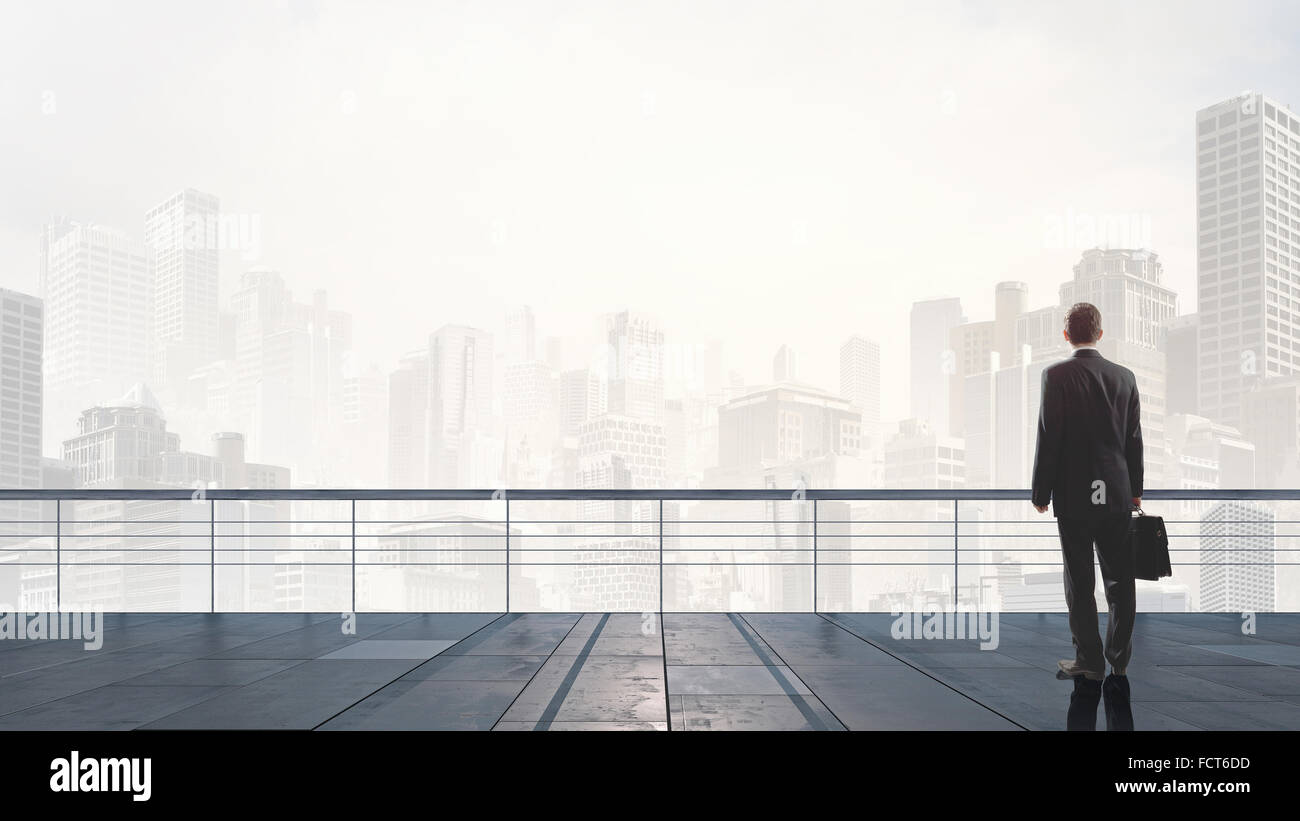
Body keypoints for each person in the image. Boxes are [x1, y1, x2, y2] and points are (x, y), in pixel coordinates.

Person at [1031, 302, 1142, 682]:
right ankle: (1120, 659)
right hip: (1116, 493)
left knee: (1080, 581)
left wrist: (1041, 492)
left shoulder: (1056, 376)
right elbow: (1133, 440)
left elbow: (1050, 437)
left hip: (1074, 493)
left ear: (1067, 335)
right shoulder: (1125, 377)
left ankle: (1090, 662)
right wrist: (1136, 491)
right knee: (1120, 579)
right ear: (1100, 333)